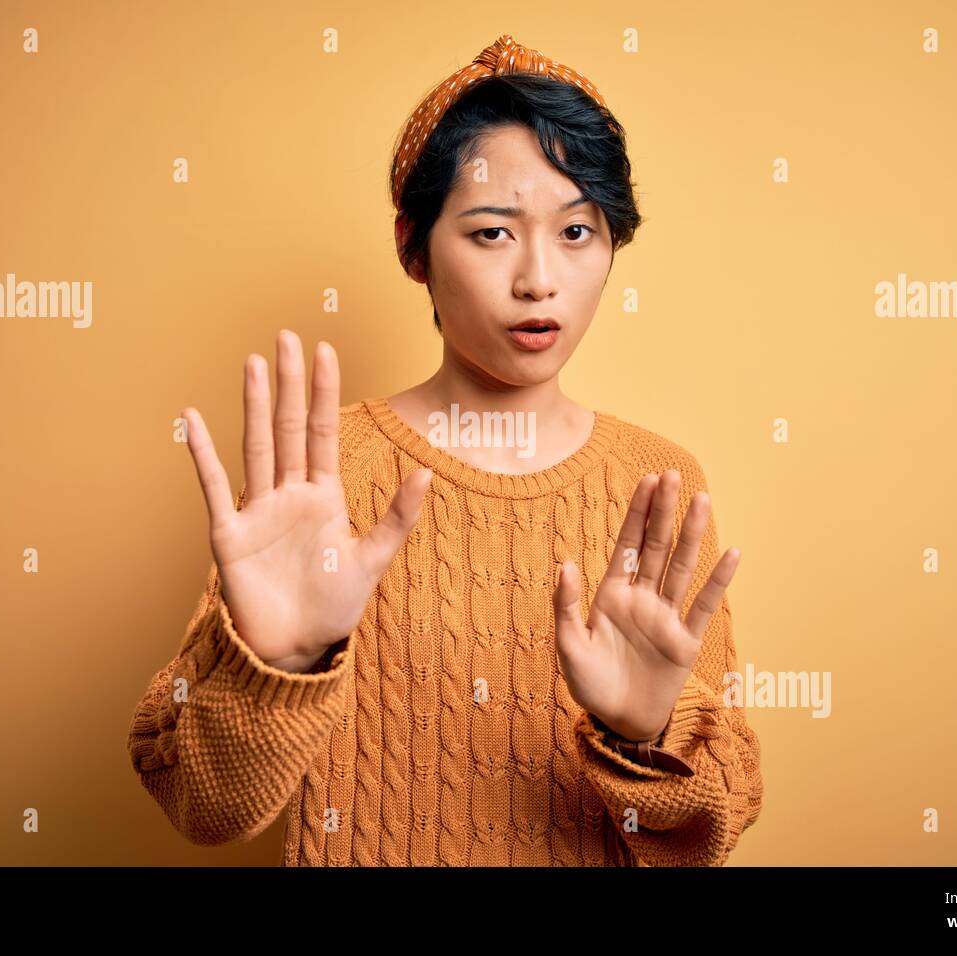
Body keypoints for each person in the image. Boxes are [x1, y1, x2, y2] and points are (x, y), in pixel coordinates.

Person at [126, 33, 763, 867]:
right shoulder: (321, 479)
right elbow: (203, 808)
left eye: (577, 231)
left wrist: (646, 733)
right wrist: (278, 666)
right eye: (494, 233)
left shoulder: (655, 484)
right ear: (412, 248)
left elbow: (714, 833)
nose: (540, 278)